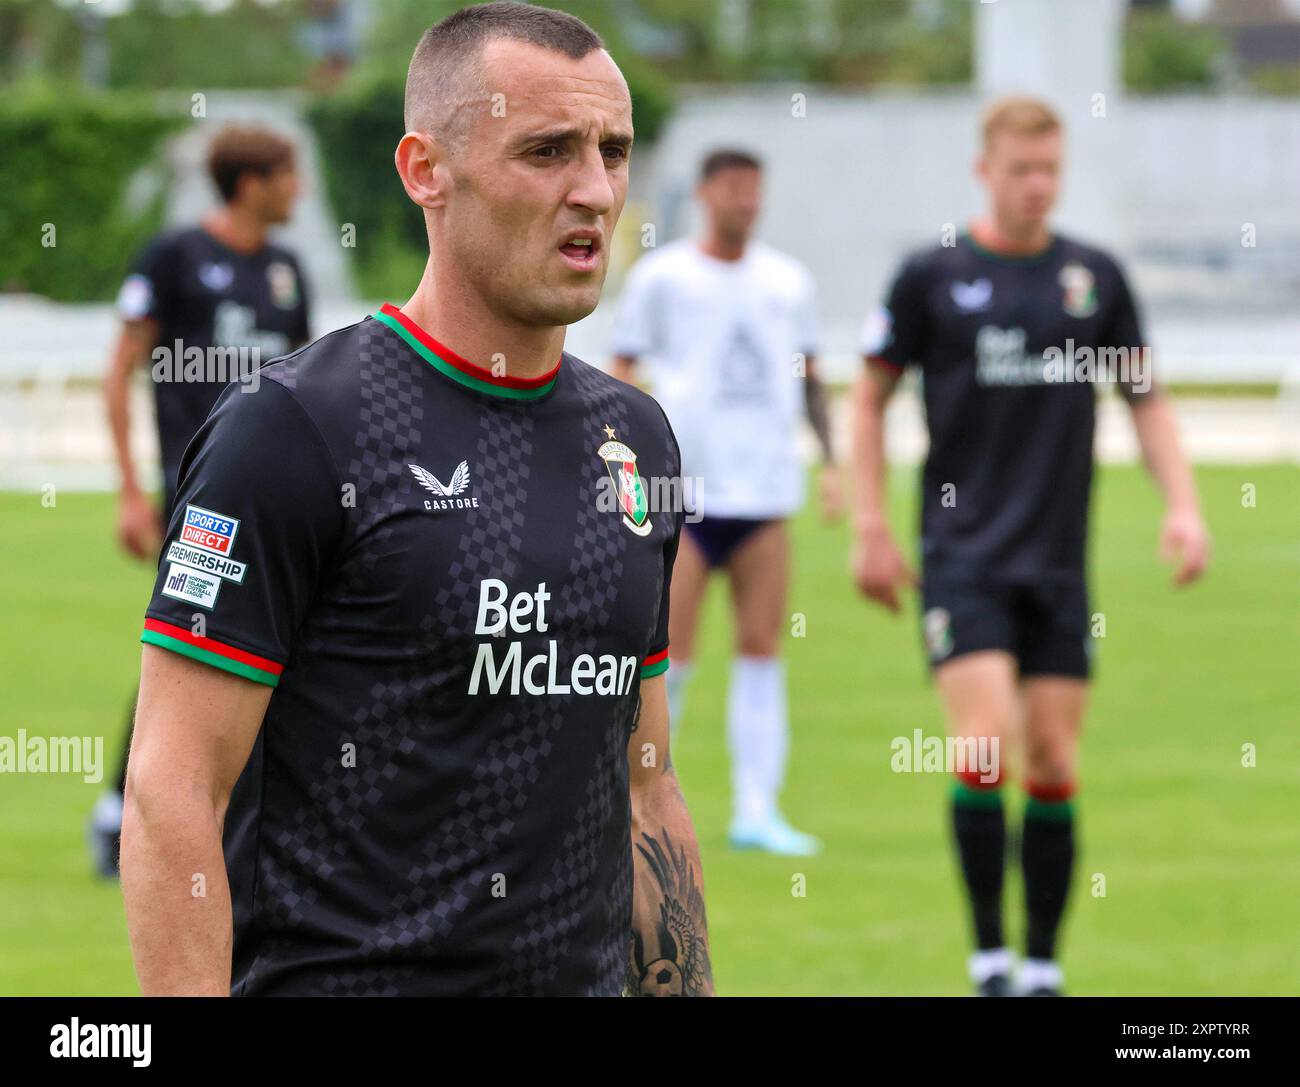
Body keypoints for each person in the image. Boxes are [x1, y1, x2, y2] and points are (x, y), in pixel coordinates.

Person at [121, 1, 713, 997]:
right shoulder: (293, 429)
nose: (594, 190)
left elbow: (646, 786)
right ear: (424, 170)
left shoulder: (637, 438)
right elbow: (172, 788)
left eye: (612, 151)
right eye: (546, 151)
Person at [849, 96, 1210, 996]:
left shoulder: (1094, 278)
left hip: (1058, 566)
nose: (1037, 185)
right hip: (962, 555)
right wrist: (870, 523)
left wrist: (1184, 505)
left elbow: (1146, 398)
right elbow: (867, 398)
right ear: (986, 170)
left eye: (1050, 169)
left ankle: (1042, 965)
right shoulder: (933, 277)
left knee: (1052, 759)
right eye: (1021, 169)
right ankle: (988, 959)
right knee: (984, 745)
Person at [90, 125, 310, 878]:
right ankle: (124, 812)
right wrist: (129, 489)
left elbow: (307, 390)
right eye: (289, 173)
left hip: (282, 507)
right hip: (199, 502)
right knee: (191, 648)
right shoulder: (175, 257)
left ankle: (261, 824)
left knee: (277, 655)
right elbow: (119, 371)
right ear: (252, 183)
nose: (300, 188)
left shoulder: (286, 269)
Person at [611, 149, 837, 857]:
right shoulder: (664, 277)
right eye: (733, 188)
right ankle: (638, 797)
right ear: (707, 192)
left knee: (763, 651)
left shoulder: (787, 281)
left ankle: (758, 809)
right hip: (686, 493)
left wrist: (831, 463)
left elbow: (811, 378)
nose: (746, 201)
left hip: (764, 490)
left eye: (755, 190)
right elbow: (623, 370)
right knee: (666, 658)